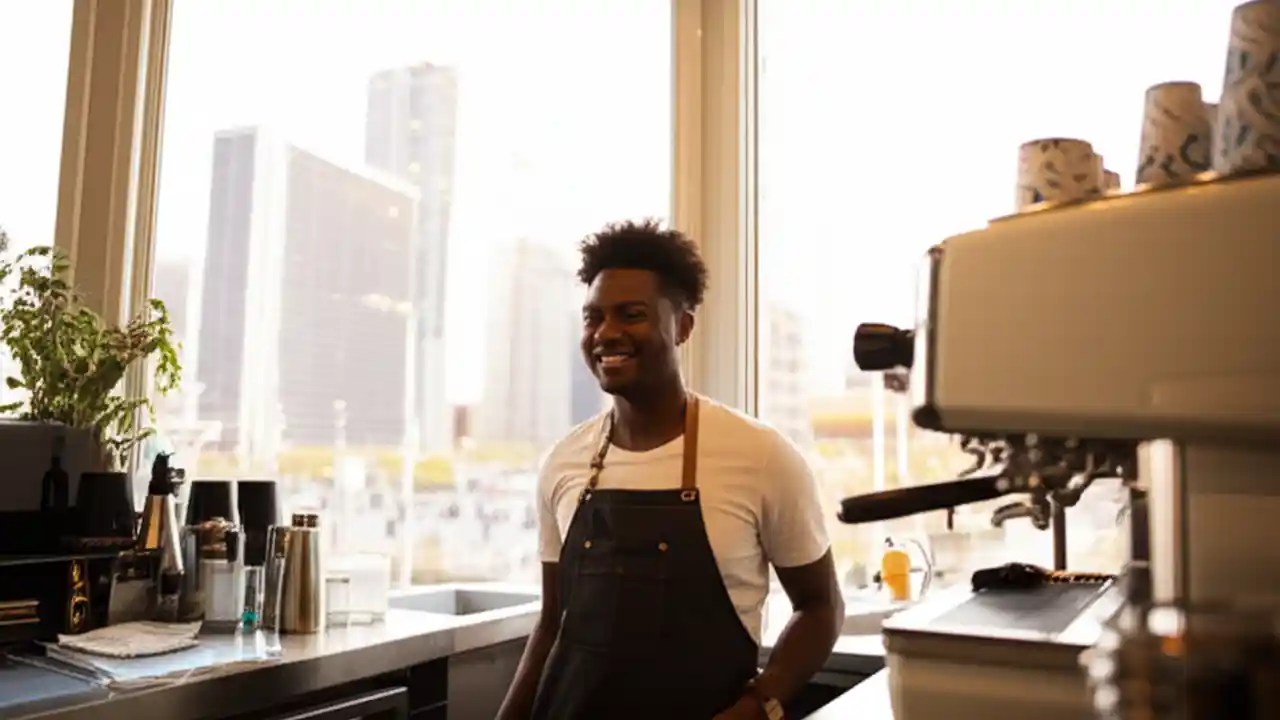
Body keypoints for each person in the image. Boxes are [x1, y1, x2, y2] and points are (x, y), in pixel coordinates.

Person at [496, 220, 843, 720]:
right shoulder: (564, 462)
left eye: (631, 315)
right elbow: (553, 624)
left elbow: (821, 607)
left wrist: (759, 704)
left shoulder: (762, 456)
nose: (606, 333)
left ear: (683, 326)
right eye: (593, 317)